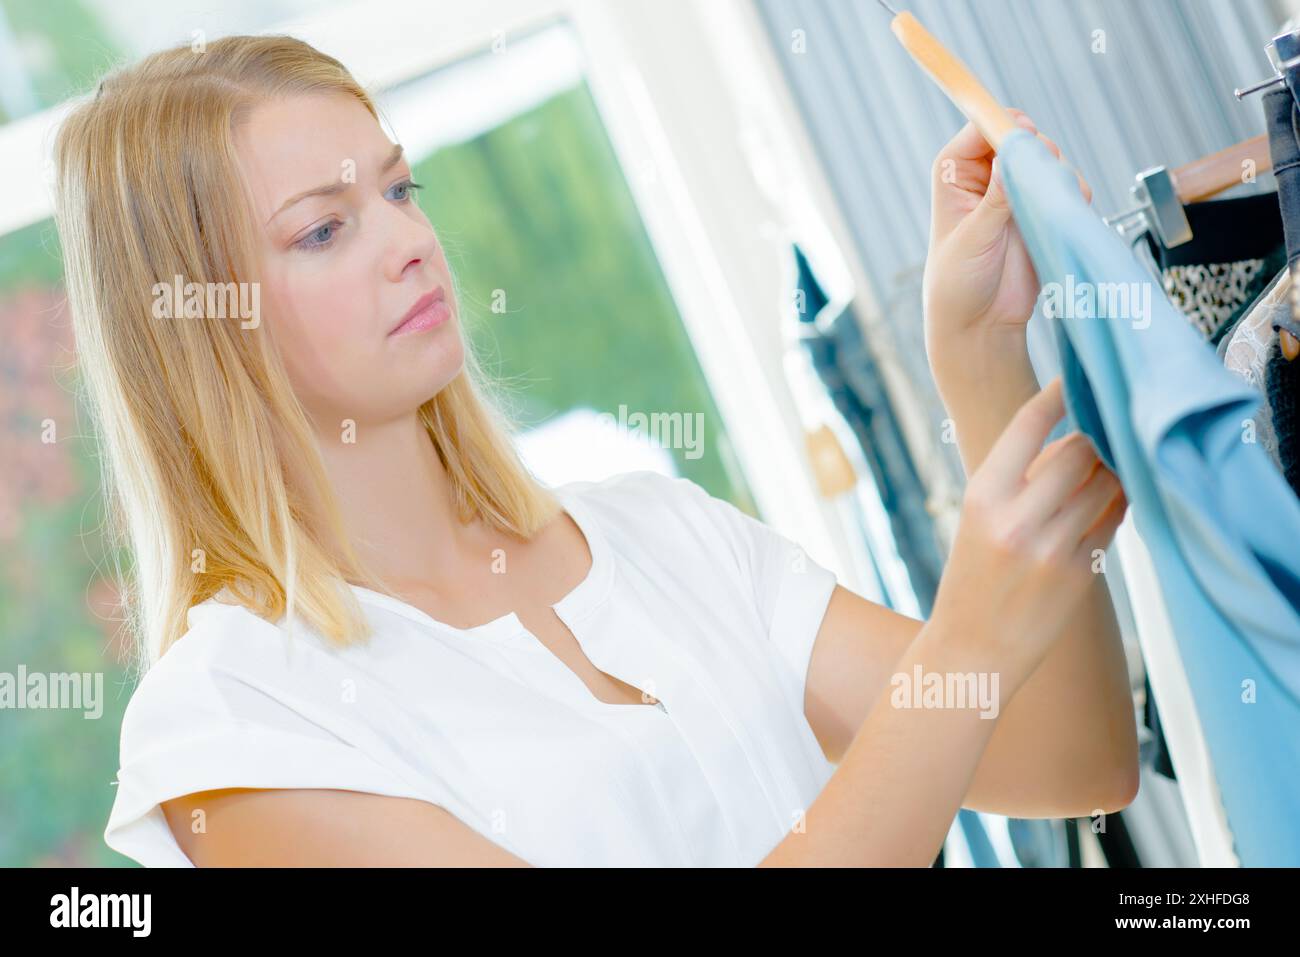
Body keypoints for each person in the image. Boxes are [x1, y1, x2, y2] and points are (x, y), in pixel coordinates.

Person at [55, 34, 1136, 867]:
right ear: (199, 318)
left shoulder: (660, 533)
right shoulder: (234, 722)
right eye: (324, 230)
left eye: (397, 189)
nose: (408, 241)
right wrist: (964, 643)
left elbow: (1074, 755)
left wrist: (981, 356)